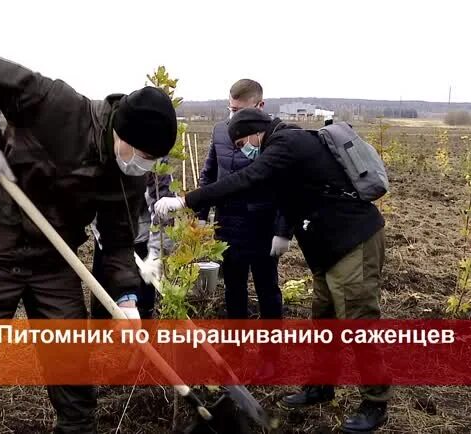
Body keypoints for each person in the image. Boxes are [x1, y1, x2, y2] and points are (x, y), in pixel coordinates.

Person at [0, 50, 177, 434]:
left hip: (53, 264)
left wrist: (126, 298)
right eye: (144, 156)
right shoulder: (57, 105)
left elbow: (118, 241)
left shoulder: (127, 175)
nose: (144, 166)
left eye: (152, 161)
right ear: (122, 134)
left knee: (72, 371)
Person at [154, 108, 391, 433]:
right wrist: (284, 230)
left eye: (241, 142)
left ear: (255, 131)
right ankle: (321, 386)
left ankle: (375, 404)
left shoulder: (286, 143)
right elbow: (263, 190)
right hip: (328, 248)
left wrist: (186, 201)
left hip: (353, 242)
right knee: (325, 317)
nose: (241, 150)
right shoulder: (284, 146)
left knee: (358, 320)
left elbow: (246, 179)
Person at [197, 79, 290, 320]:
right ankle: (234, 351)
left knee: (267, 289)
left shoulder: (275, 137)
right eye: (231, 109)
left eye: (240, 111)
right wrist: (201, 216)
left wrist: (282, 230)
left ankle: (270, 354)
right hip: (228, 226)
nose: (233, 116)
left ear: (260, 105)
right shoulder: (220, 131)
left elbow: (286, 187)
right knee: (233, 289)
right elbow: (209, 175)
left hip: (262, 227)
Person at [90, 160, 175, 319]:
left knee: (141, 306)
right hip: (106, 237)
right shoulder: (99, 149)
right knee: (102, 302)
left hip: (141, 240)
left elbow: (164, 207)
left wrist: (156, 253)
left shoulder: (155, 157)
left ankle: (142, 338)